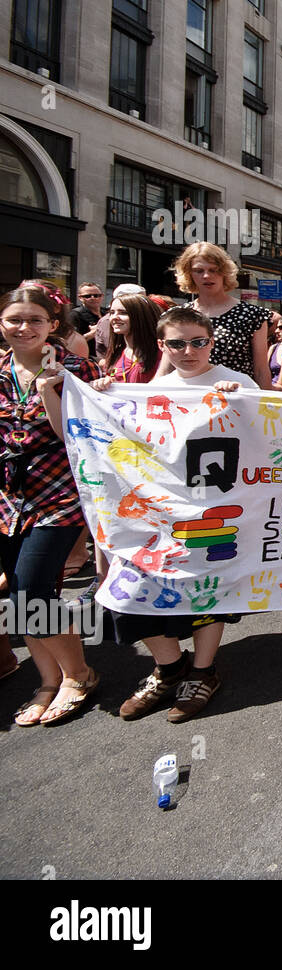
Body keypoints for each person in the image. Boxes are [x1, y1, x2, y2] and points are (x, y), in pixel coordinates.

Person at [106, 308, 256, 721]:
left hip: (214, 508)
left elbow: (265, 438)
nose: (188, 351)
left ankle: (203, 672)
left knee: (206, 587)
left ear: (212, 342)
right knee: (133, 586)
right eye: (176, 343)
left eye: (198, 342)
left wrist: (241, 401)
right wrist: (103, 394)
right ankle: (169, 668)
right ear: (161, 346)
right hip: (158, 512)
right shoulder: (150, 388)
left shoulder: (237, 382)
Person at [1, 285, 101, 726]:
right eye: (14, 320)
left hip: (58, 493)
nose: (24, 328)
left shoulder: (74, 368)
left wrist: (48, 391)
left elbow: (77, 438)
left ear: (52, 326)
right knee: (17, 592)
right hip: (7, 497)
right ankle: (46, 679)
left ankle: (79, 674)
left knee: (32, 589)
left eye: (34, 321)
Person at [162, 243, 272, 389]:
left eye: (213, 270)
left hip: (235, 399)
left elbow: (261, 370)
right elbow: (166, 367)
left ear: (225, 272)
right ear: (189, 274)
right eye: (199, 271)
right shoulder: (176, 316)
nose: (207, 276)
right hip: (188, 399)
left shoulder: (252, 315)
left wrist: (266, 407)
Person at [104, 292, 162, 383]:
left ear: (142, 316)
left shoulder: (163, 353)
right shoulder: (116, 352)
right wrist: (106, 381)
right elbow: (111, 375)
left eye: (123, 313)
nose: (114, 317)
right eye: (112, 312)